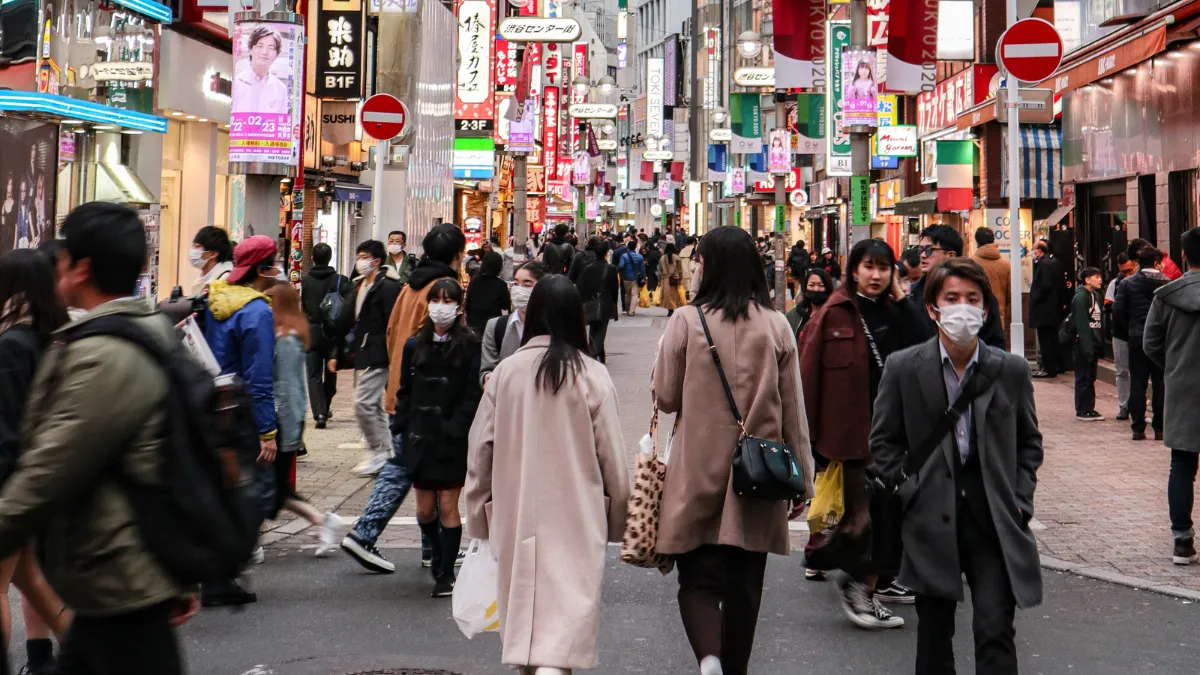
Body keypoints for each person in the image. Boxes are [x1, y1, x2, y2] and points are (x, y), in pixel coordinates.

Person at [0, 202, 201, 672]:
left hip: (120, 585)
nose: (57, 268)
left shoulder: (103, 353)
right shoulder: (147, 331)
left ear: (82, 267)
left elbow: (52, 468)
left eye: (64, 257)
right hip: (117, 582)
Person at [652, 227, 814, 675]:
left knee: (699, 579)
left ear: (710, 265)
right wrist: (804, 475)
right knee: (745, 584)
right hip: (759, 473)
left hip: (696, 468)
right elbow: (793, 411)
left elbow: (665, 396)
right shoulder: (777, 324)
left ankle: (709, 661)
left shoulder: (686, 320)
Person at [872, 257, 1043, 675]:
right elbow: (883, 441)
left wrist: (1020, 500)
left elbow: (1029, 443)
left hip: (994, 516)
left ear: (985, 310)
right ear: (932, 307)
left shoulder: (1011, 371)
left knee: (995, 628)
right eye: (951, 298)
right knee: (933, 636)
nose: (962, 307)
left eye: (972, 299)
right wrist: (908, 490)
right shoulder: (904, 367)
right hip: (930, 515)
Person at [466, 275, 630, 675]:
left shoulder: (506, 374)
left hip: (514, 511)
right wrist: (617, 518)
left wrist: (477, 514)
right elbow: (615, 462)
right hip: (578, 516)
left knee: (524, 625)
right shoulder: (592, 376)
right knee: (563, 632)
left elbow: (480, 450)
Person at [800, 238, 918, 628]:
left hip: (894, 432)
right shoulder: (833, 313)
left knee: (891, 512)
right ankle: (857, 587)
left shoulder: (894, 310)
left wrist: (901, 297)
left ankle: (863, 575)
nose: (876, 275)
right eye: (868, 266)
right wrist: (809, 440)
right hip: (849, 435)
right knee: (864, 519)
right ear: (853, 270)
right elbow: (808, 377)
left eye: (884, 268)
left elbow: (926, 344)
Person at [0, 249, 74, 675]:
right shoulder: (51, 338)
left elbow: (7, 430)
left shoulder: (13, 343)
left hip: (14, 485)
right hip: (41, 480)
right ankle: (91, 660)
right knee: (34, 584)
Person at [203, 234, 283, 607]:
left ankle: (215, 576)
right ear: (264, 267)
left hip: (211, 406)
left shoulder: (215, 296)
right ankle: (222, 575)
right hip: (243, 413)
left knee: (221, 491)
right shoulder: (257, 311)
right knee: (252, 497)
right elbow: (260, 375)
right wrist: (267, 431)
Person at [391, 279, 482, 597]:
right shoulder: (415, 345)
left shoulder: (470, 344)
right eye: (436, 300)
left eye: (448, 300)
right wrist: (400, 425)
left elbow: (473, 393)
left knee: (447, 506)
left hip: (452, 438)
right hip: (421, 436)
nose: (440, 306)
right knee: (424, 510)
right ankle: (435, 551)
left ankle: (445, 574)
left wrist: (457, 426)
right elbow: (405, 390)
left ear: (458, 308)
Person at [263, 282, 346, 554]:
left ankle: (252, 544)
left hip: (282, 421)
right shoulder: (286, 335)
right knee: (277, 489)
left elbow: (287, 389)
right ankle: (322, 522)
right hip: (285, 420)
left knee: (272, 489)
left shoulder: (286, 340)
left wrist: (281, 433)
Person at [1145, 227, 1200, 565]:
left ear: (1182, 256)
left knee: (1182, 465)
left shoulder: (1166, 296)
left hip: (1182, 389)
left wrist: (1175, 367)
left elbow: (1150, 343)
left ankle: (1182, 540)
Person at [331, 241, 403, 476]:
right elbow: (345, 320)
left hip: (379, 353)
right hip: (362, 352)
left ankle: (378, 451)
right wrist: (335, 352)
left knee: (363, 402)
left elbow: (394, 323)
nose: (360, 261)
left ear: (376, 261)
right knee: (371, 404)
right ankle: (385, 451)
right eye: (358, 256)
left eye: (365, 257)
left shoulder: (388, 287)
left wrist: (393, 353)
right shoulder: (359, 286)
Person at [385, 224, 467, 421]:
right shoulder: (446, 290)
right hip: (430, 398)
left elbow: (390, 332)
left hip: (399, 389)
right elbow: (453, 343)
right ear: (458, 254)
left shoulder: (409, 286)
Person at [907, 226, 1006, 349]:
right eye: (920, 250)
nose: (922, 255)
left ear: (951, 255)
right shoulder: (913, 293)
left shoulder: (976, 287)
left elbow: (994, 339)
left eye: (929, 250)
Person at [1114, 245, 1169, 441]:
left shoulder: (1128, 284)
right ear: (1157, 263)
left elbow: (1118, 311)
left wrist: (1131, 326)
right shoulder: (1167, 284)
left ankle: (1138, 427)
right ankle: (1160, 427)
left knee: (1137, 382)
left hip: (1137, 337)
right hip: (1161, 340)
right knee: (1160, 383)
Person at [300, 243, 350, 429]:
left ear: (312, 258)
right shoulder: (340, 280)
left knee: (312, 375)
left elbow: (302, 308)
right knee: (331, 373)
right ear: (330, 258)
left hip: (310, 333)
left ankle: (319, 413)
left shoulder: (304, 282)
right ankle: (326, 405)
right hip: (332, 334)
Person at [482, 262, 546, 384]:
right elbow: (486, 370)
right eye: (516, 284)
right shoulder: (496, 327)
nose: (519, 289)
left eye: (527, 285)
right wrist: (487, 379)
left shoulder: (554, 327)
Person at [1029, 240, 1068, 378]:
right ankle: (1058, 365)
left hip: (1044, 307)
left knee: (1045, 338)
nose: (1032, 252)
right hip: (1053, 307)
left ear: (1039, 251)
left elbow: (1045, 285)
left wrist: (1035, 297)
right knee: (1052, 336)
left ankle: (1048, 368)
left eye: (1033, 249)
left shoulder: (1044, 264)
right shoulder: (1055, 263)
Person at [577, 240, 620, 363]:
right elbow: (614, 289)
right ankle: (593, 354)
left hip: (590, 303)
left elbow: (582, 287)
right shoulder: (611, 269)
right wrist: (614, 304)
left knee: (593, 329)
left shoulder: (588, 268)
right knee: (601, 330)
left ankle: (600, 354)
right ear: (607, 253)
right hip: (605, 303)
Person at [1105, 253, 1136, 420]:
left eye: (1129, 270)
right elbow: (1109, 305)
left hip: (1137, 333)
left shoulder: (1141, 283)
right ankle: (1124, 406)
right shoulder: (1115, 284)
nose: (1126, 275)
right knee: (1122, 371)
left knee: (1138, 372)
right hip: (1120, 333)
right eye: (1123, 271)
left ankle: (1138, 404)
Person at [1071, 267, 1105, 421]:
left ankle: (1090, 407)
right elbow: (1082, 324)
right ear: (1087, 279)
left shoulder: (1096, 296)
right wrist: (1087, 347)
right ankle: (1082, 409)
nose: (1100, 279)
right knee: (1083, 377)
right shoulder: (1081, 297)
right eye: (1096, 277)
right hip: (1084, 344)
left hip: (1094, 342)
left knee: (1091, 377)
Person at [233, 26, 288, 114]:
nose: (264, 52)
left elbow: (281, 122)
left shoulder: (280, 89)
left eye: (271, 48)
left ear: (276, 54)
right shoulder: (237, 83)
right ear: (250, 49)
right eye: (260, 46)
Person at [971, 227, 1011, 325]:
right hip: (998, 318)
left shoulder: (971, 262)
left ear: (977, 242)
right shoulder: (1005, 264)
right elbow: (1010, 295)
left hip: (975, 317)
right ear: (993, 240)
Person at [464, 252, 511, 334]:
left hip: (473, 322)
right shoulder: (501, 285)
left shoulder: (474, 281)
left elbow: (468, 301)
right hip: (492, 325)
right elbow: (505, 306)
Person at [785, 267, 833, 338]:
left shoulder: (836, 315)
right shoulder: (792, 316)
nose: (816, 289)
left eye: (821, 285)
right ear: (805, 288)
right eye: (811, 285)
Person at [187, 226, 234, 296]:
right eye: (193, 246)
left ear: (213, 254)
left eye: (197, 247)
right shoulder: (203, 279)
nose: (192, 251)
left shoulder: (225, 279)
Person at [616, 239, 646, 317]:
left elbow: (621, 266)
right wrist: (644, 278)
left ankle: (627, 309)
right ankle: (632, 311)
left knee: (627, 294)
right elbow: (642, 269)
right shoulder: (640, 257)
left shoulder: (624, 256)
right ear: (635, 247)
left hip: (626, 278)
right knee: (635, 295)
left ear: (628, 247)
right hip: (636, 278)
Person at [657, 243, 684, 316]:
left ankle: (670, 309)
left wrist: (659, 280)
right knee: (674, 294)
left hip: (665, 279)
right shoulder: (677, 257)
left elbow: (659, 270)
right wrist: (680, 278)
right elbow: (680, 269)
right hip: (674, 278)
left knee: (667, 295)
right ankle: (674, 307)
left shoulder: (662, 258)